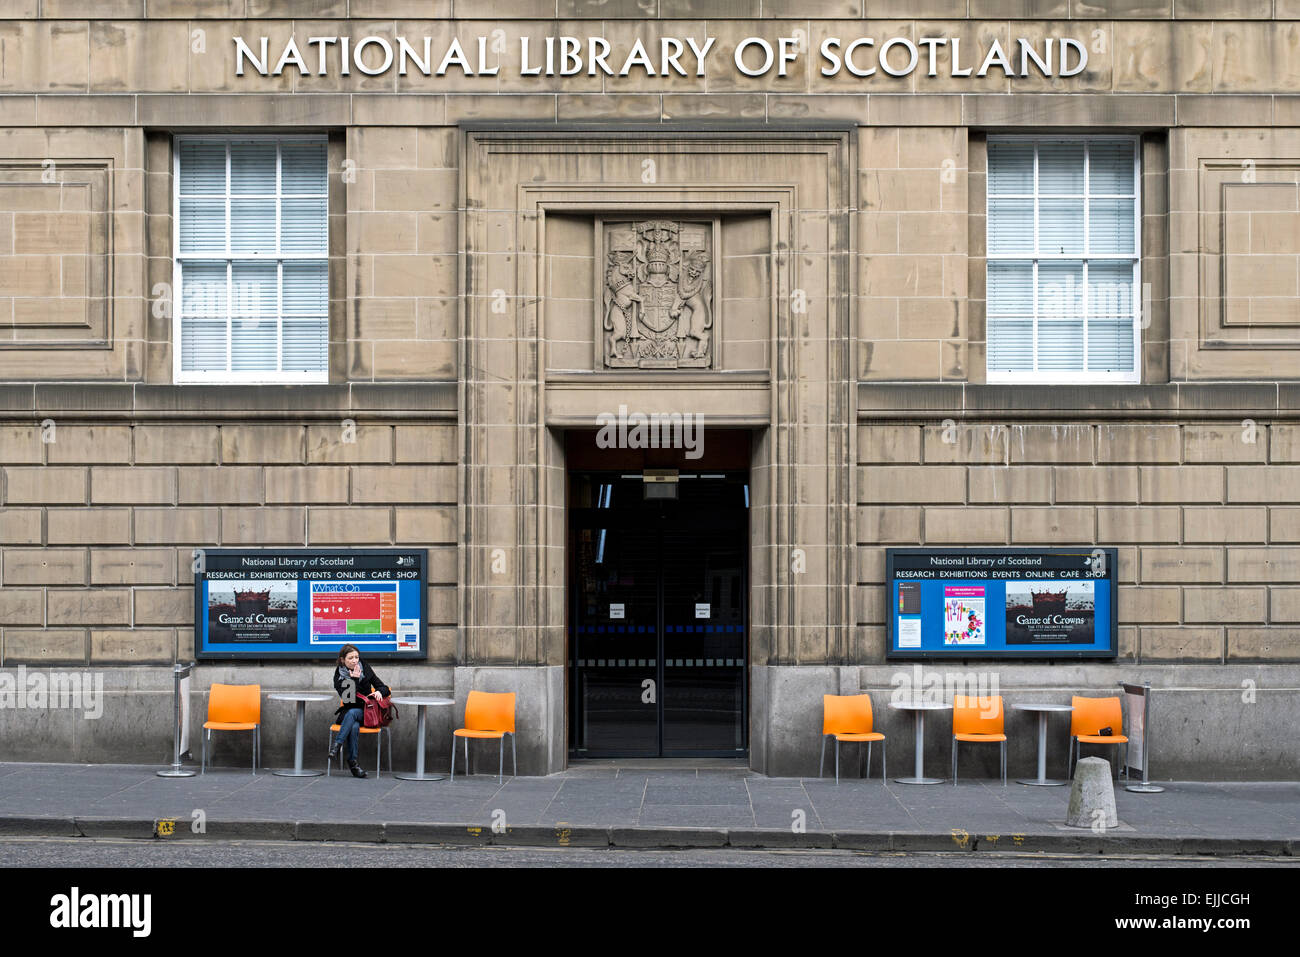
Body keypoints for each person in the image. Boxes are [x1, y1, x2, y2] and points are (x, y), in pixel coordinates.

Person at [329, 644, 391, 778]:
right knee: (353, 723)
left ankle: (337, 744)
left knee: (353, 716)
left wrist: (379, 691)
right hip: (350, 710)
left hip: (368, 713)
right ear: (342, 660)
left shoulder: (365, 667)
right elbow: (349, 701)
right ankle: (353, 764)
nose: (355, 661)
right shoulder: (339, 677)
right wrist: (355, 679)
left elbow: (384, 687)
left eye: (356, 657)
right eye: (350, 658)